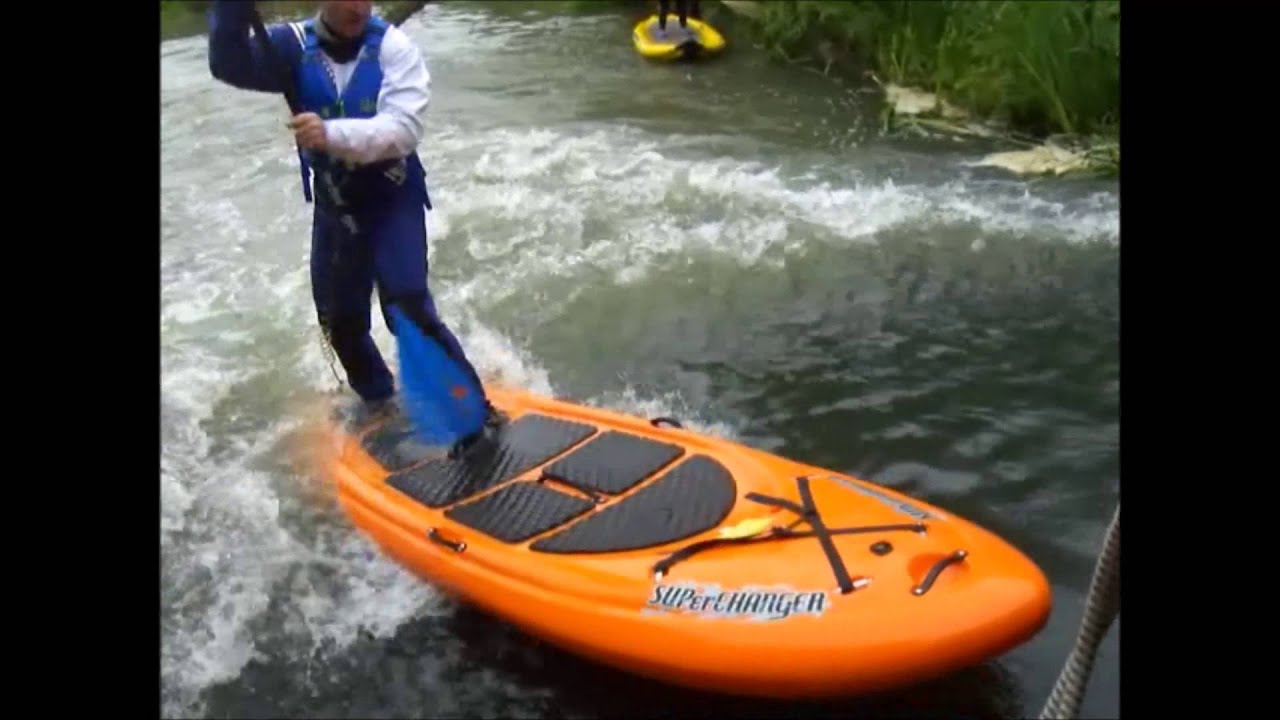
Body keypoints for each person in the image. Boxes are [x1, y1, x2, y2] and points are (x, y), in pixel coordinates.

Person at [206, 0, 503, 431]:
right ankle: (380, 400)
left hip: (391, 198)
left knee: (407, 305)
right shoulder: (289, 47)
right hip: (336, 206)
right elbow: (228, 64)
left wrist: (330, 134)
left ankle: (476, 412)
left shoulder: (395, 48)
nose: (358, 7)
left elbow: (402, 131)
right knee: (339, 319)